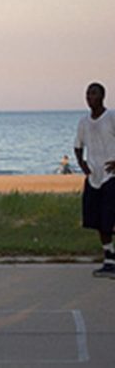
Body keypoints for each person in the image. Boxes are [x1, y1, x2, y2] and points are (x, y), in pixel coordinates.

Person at [73, 82, 115, 278]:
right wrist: (81, 163)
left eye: (94, 93)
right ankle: (109, 259)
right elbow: (78, 145)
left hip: (110, 176)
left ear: (102, 96)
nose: (90, 97)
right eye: (88, 93)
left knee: (110, 219)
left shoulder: (111, 117)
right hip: (94, 177)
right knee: (97, 220)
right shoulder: (84, 122)